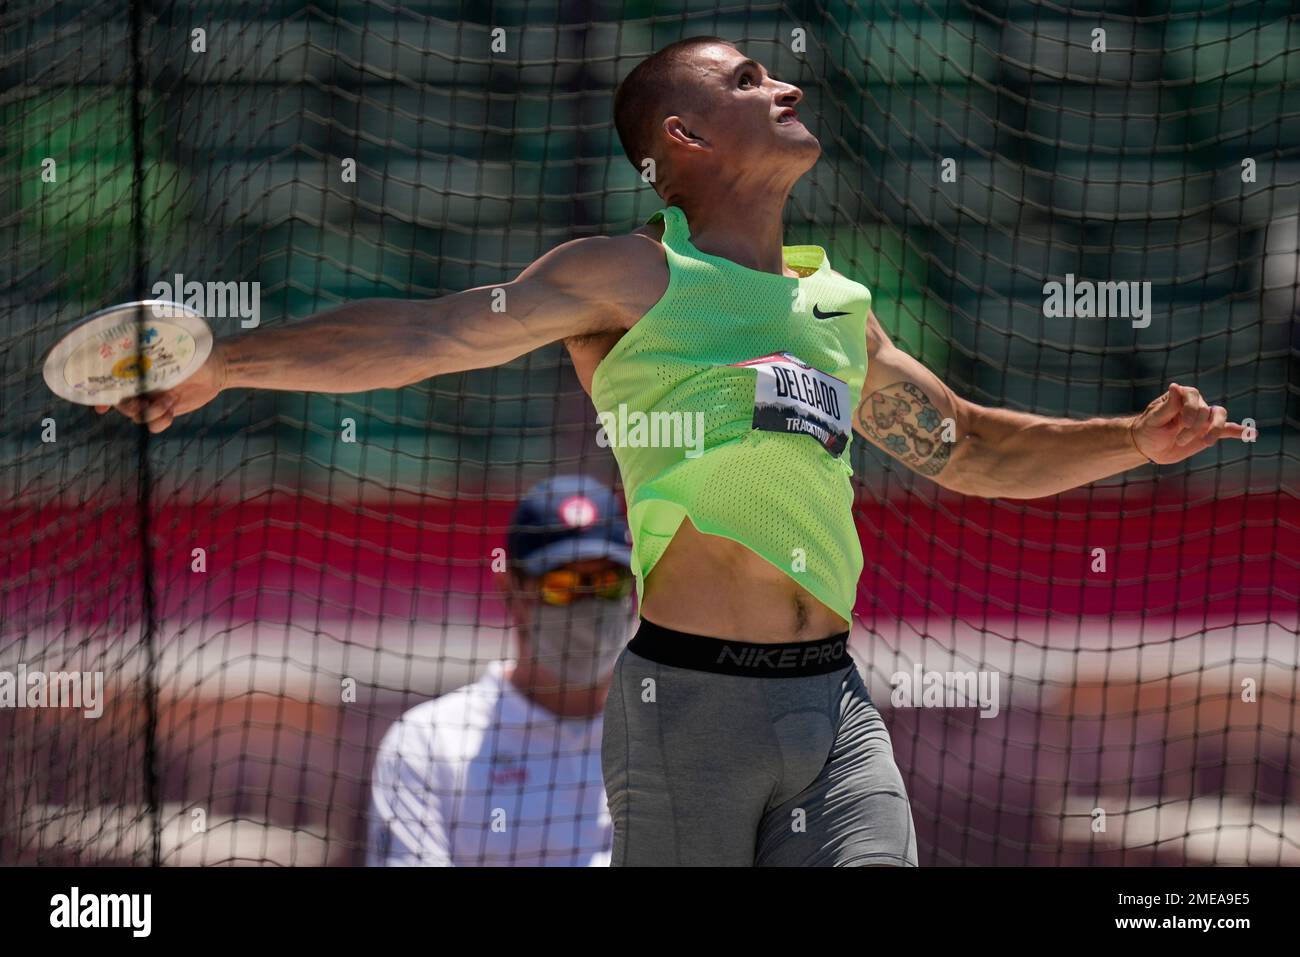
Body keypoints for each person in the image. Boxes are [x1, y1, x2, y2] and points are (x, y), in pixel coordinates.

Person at [101, 37, 1244, 866]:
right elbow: (427, 333)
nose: (786, 84)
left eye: (774, 73)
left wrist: (1132, 441)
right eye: (746, 80)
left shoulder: (835, 301)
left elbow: (967, 449)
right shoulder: (626, 275)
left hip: (836, 704)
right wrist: (226, 365)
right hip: (685, 703)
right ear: (685, 138)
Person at [367, 475, 635, 866]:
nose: (589, 605)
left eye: (609, 583)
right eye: (563, 585)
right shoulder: (427, 743)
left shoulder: (668, 739)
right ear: (510, 588)